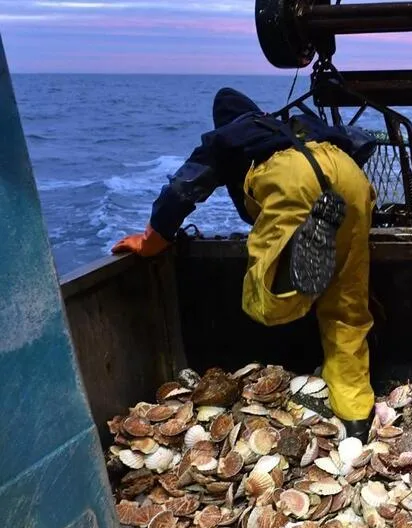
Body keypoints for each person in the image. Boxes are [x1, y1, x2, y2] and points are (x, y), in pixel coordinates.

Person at [113, 88, 379, 442]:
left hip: (293, 179)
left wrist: (150, 242)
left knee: (264, 300)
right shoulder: (292, 125)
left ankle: (297, 262)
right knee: (347, 310)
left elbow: (182, 190)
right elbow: (360, 142)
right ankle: (356, 416)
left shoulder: (229, 137)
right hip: (349, 178)